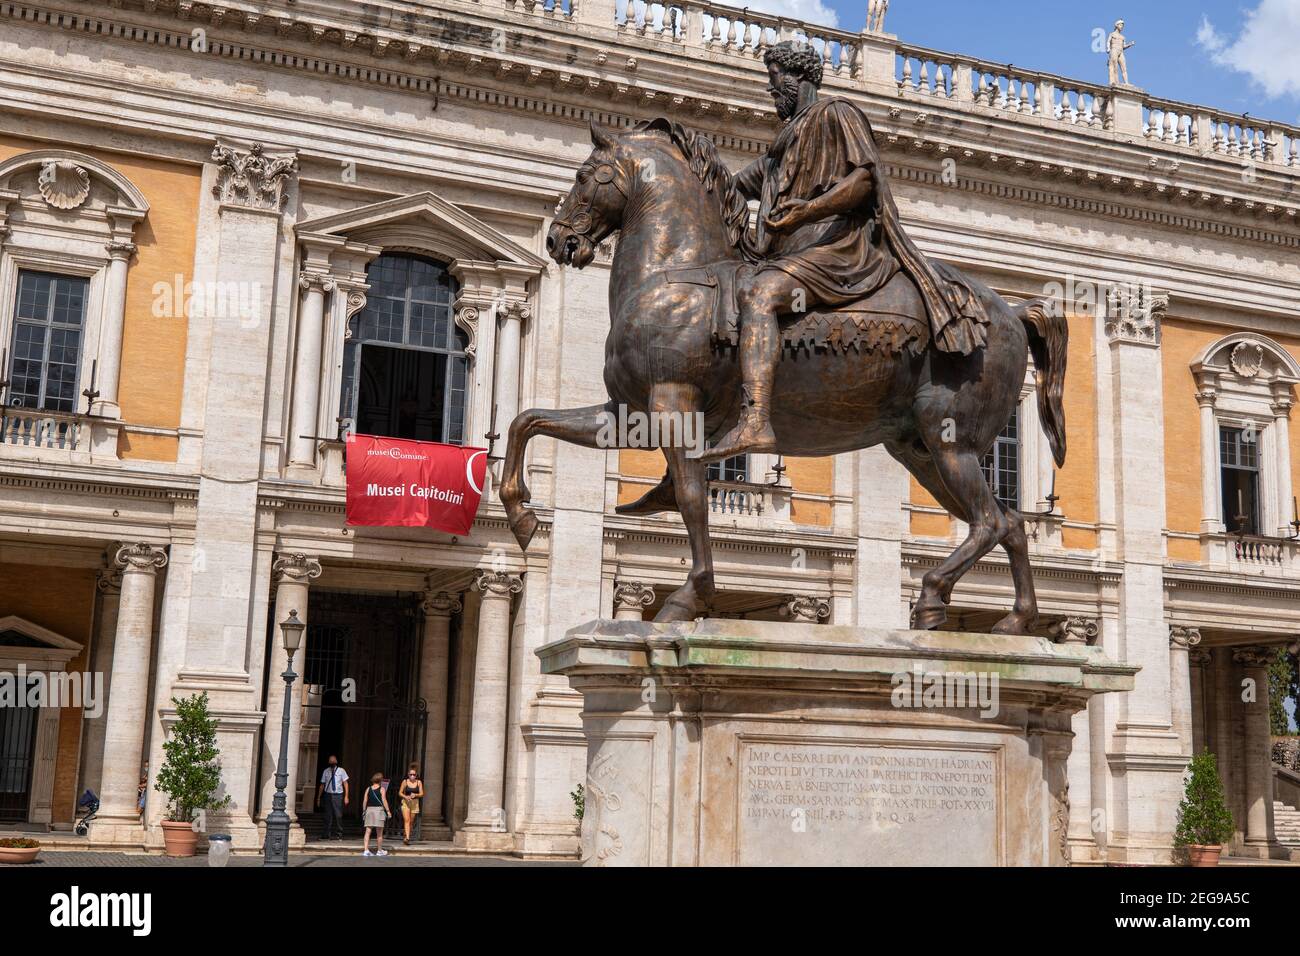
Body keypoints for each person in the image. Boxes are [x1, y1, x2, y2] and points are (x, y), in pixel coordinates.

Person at [701, 40, 987, 463]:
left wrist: (806, 212)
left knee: (760, 296)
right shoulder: (783, 146)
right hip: (796, 254)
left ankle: (757, 419)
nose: (770, 89)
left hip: (839, 249)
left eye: (775, 80)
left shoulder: (837, 114)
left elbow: (864, 182)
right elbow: (730, 186)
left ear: (800, 79)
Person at [317, 755, 349, 840]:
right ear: (328, 762)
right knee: (328, 815)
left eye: (333, 760)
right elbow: (322, 785)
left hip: (338, 795)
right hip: (328, 795)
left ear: (336, 761)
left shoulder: (341, 771)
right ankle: (326, 834)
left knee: (338, 815)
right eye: (330, 760)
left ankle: (339, 833)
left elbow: (345, 783)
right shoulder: (326, 771)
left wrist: (346, 796)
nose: (332, 762)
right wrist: (318, 797)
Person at [361, 772, 391, 857]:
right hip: (379, 811)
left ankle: (366, 850)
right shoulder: (382, 789)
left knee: (368, 831)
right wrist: (388, 811)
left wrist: (364, 811)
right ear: (380, 780)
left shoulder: (368, 789)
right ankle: (379, 851)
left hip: (369, 810)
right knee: (379, 833)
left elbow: (365, 801)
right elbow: (384, 800)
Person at [398, 764, 424, 845]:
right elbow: (400, 792)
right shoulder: (405, 781)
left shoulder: (419, 782)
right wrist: (406, 796)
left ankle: (406, 835)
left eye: (414, 774)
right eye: (411, 774)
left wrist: (415, 795)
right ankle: (408, 838)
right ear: (408, 775)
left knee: (411, 822)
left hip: (415, 803)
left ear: (416, 775)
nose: (412, 776)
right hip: (406, 802)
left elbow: (422, 793)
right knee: (407, 820)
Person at [1107, 20, 1135, 86]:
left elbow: (1123, 46)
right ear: (1116, 25)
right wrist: (1108, 48)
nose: (1122, 27)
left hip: (1121, 51)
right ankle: (1115, 82)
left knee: (1124, 68)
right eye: (1120, 25)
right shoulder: (1112, 34)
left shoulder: (1123, 37)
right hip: (1114, 50)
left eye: (1122, 26)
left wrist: (1130, 44)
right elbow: (1108, 41)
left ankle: (1126, 83)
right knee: (1114, 66)